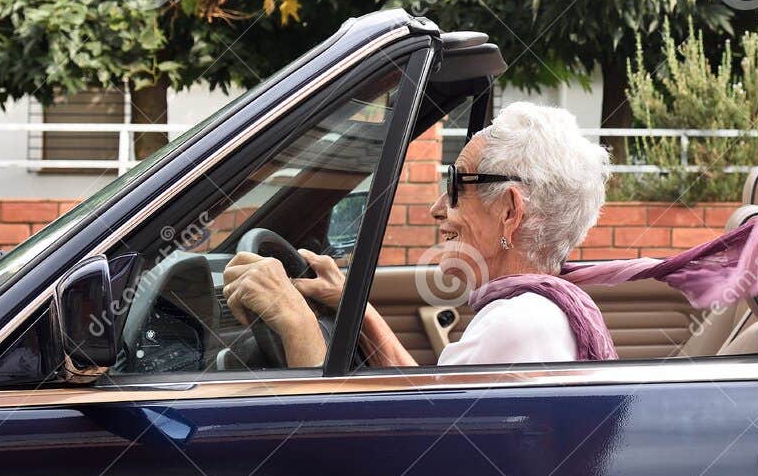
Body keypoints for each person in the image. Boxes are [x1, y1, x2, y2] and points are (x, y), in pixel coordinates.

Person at [222, 102, 616, 369]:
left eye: (456, 186)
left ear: (509, 211)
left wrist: (294, 319)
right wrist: (353, 307)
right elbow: (428, 404)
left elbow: (367, 455)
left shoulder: (515, 326)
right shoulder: (537, 314)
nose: (437, 208)